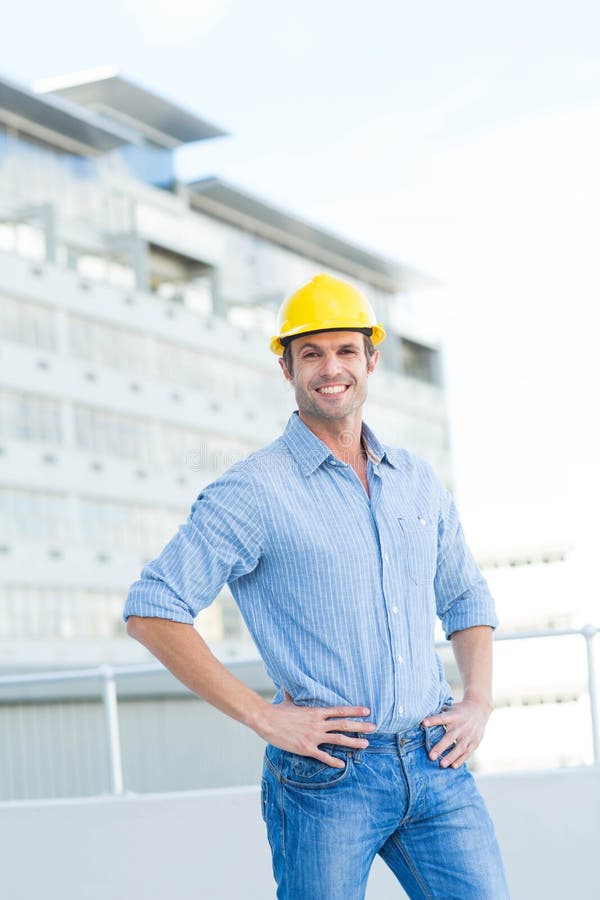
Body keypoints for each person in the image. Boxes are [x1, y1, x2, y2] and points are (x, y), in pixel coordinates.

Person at [124, 272, 509, 899]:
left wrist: (479, 701)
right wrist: (263, 716)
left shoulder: (415, 480)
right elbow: (152, 609)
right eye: (311, 354)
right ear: (287, 368)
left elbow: (466, 597)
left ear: (371, 360)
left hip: (436, 762)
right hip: (329, 777)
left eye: (345, 350)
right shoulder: (253, 489)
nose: (331, 368)